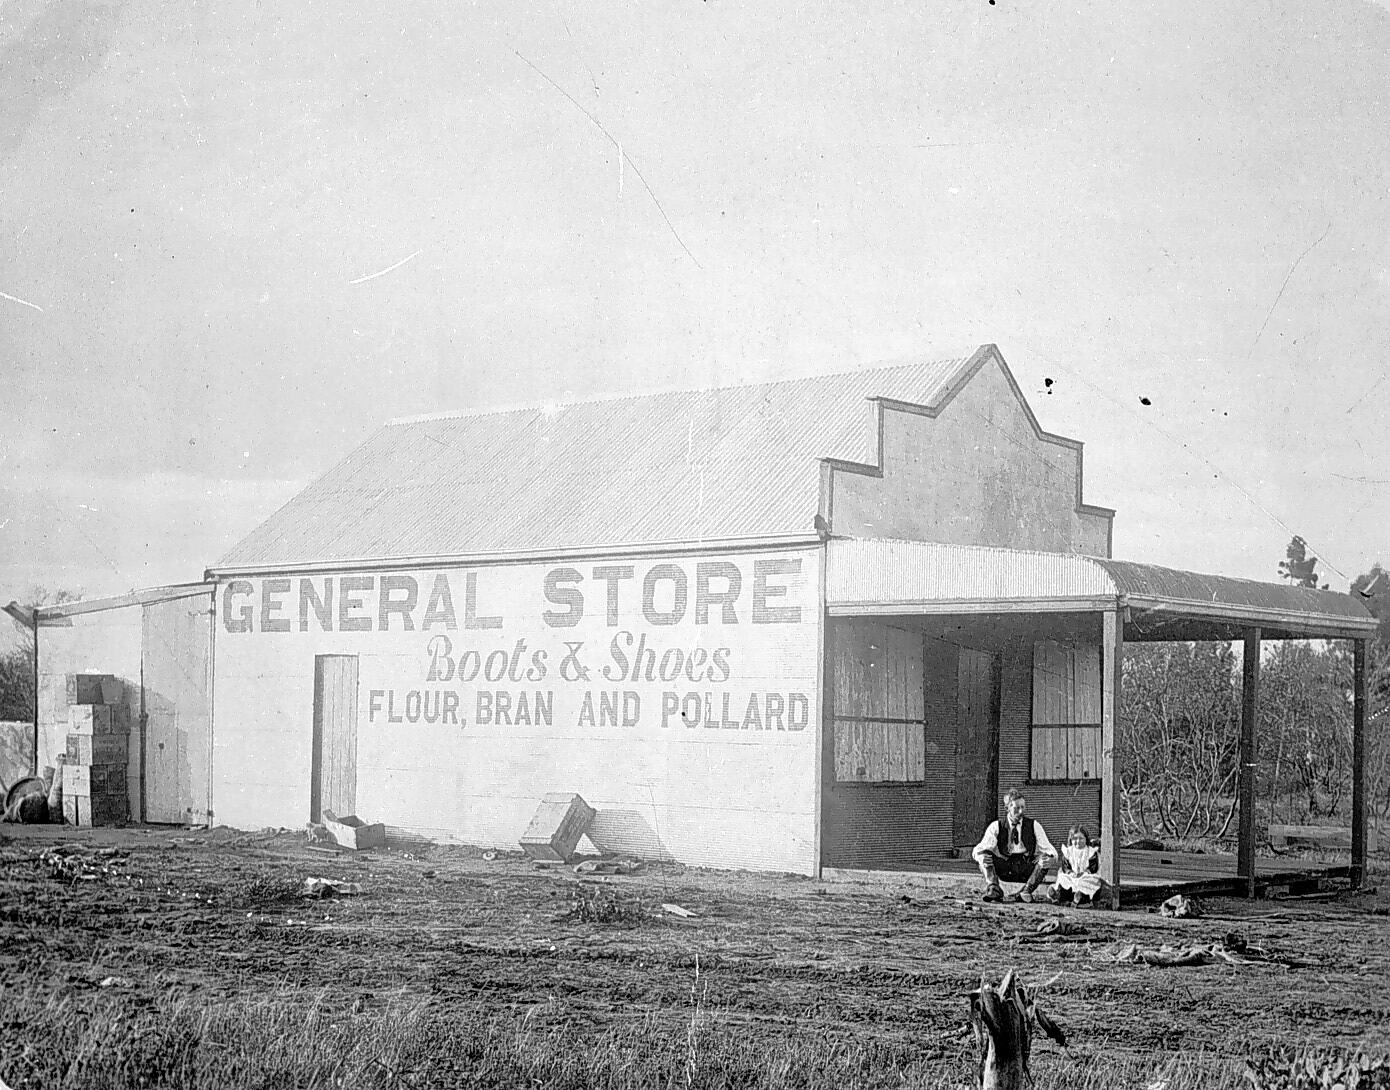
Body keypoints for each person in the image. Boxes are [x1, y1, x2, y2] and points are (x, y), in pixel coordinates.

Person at [971, 788, 1056, 903]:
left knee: (1045, 858)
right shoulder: (996, 826)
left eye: (1023, 807)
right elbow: (979, 849)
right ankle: (994, 888)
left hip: (1026, 867)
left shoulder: (1034, 825)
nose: (1021, 812)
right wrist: (980, 857)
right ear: (1007, 808)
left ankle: (1026, 891)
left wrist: (1051, 859)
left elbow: (1050, 849)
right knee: (985, 854)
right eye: (1016, 808)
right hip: (1006, 867)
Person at [1050, 825, 1107, 907]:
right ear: (1070, 839)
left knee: (1086, 881)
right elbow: (1065, 866)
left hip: (1085, 876)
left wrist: (1085, 872)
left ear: (1086, 839)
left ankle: (1081, 897)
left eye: (1081, 838)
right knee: (1063, 878)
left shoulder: (1091, 852)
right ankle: (1059, 896)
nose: (1078, 841)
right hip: (1072, 876)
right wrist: (1070, 872)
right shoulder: (1068, 851)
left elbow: (1093, 867)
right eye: (1075, 839)